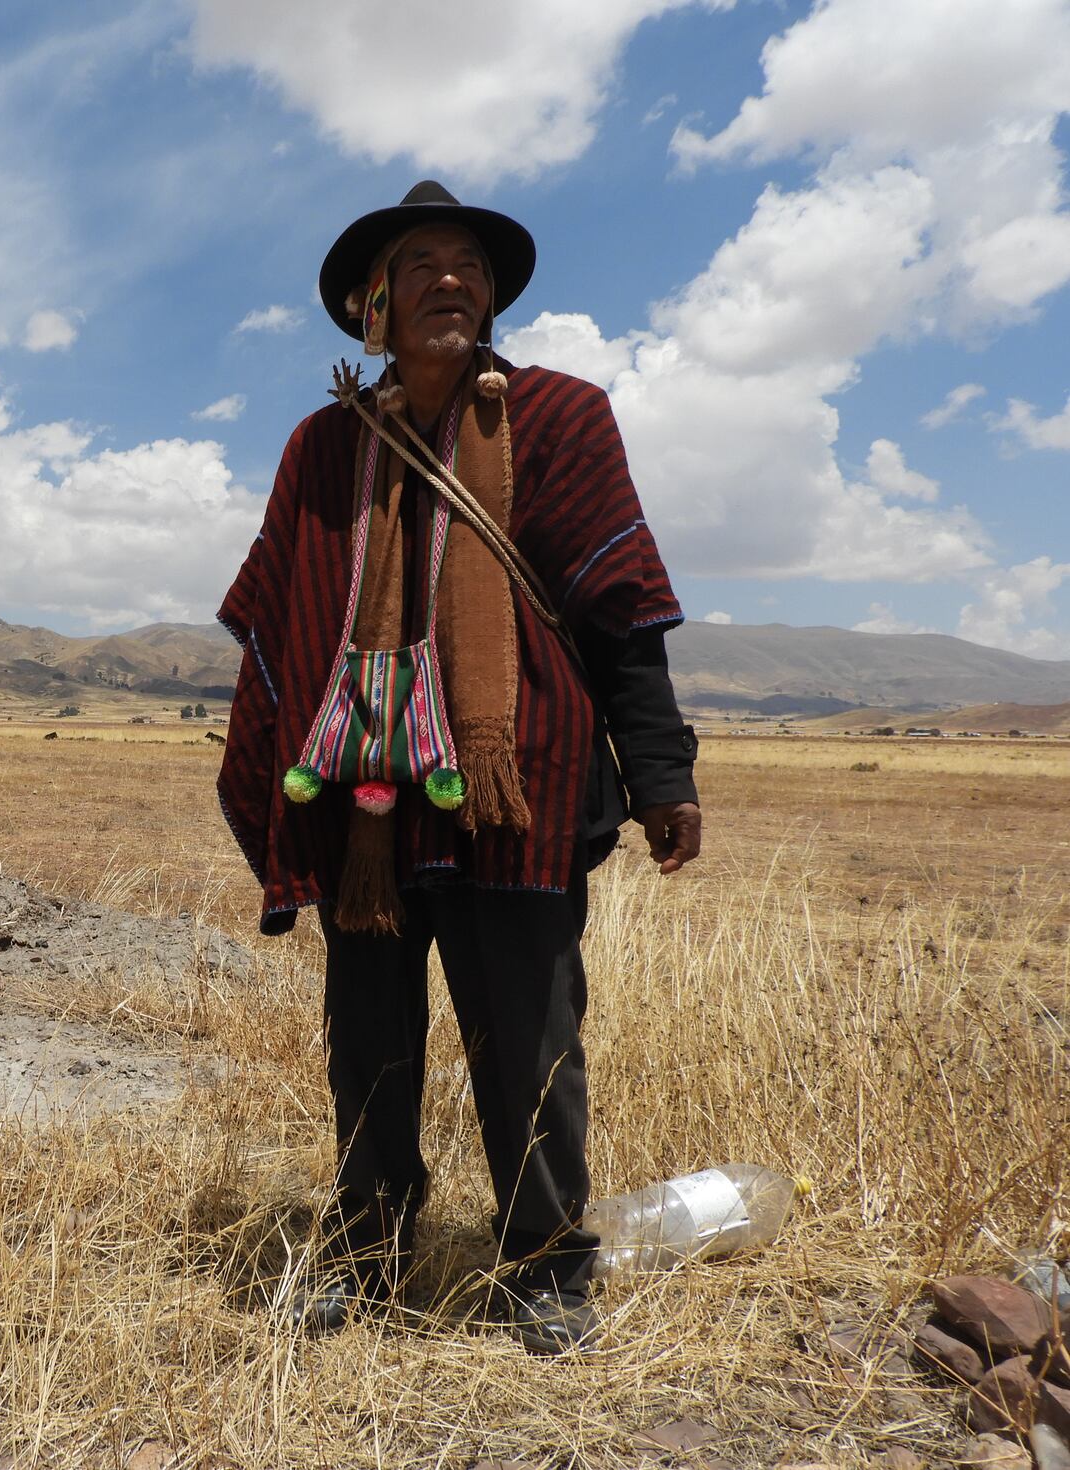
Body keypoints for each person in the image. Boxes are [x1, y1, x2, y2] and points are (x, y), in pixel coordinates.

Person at [216, 181, 702, 1354]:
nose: (452, 279)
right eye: (423, 263)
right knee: (367, 1044)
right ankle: (368, 1254)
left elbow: (616, 608)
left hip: (512, 786)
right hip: (365, 804)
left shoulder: (559, 418)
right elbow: (286, 613)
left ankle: (544, 1269)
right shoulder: (322, 447)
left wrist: (660, 771)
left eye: (470, 266)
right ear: (370, 304)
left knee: (529, 1041)